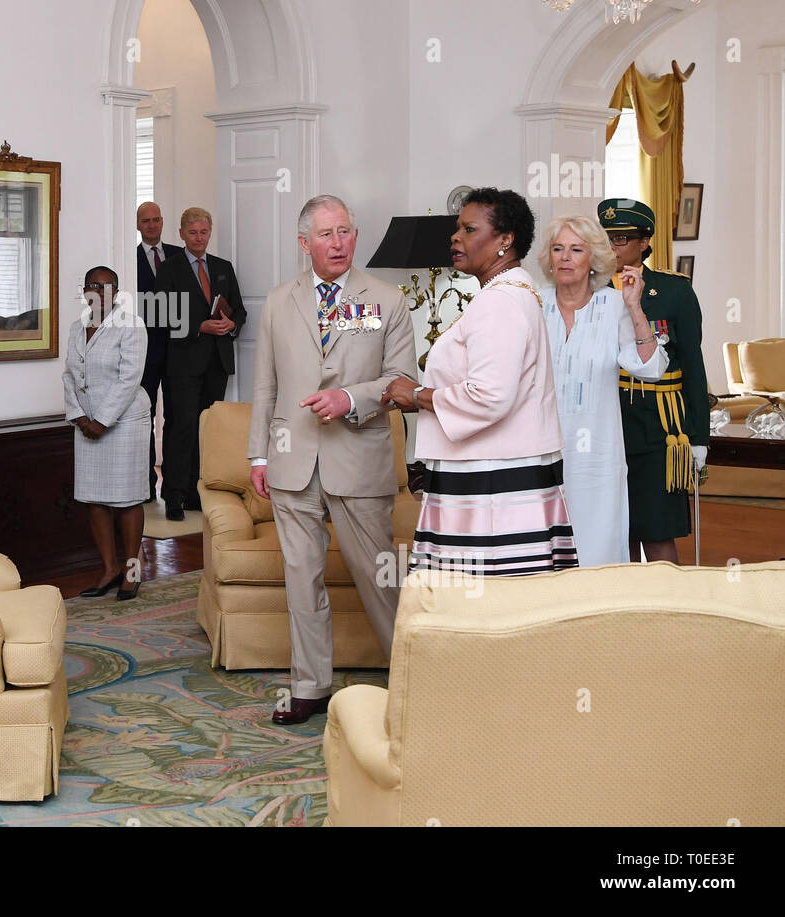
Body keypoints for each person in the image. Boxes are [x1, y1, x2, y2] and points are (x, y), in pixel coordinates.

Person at [249, 195, 416, 725]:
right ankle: (310, 685)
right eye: (326, 235)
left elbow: (401, 381)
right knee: (302, 578)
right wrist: (258, 453)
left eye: (345, 232)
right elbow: (265, 385)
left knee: (378, 577)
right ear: (305, 244)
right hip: (291, 460)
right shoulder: (279, 301)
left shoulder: (387, 301)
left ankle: (412, 679)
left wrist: (351, 399)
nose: (338, 242)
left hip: (358, 458)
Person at [382, 188, 578, 577]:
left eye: (469, 229)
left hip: (491, 482)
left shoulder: (500, 301)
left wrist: (418, 395)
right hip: (501, 470)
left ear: (506, 240)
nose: (455, 238)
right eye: (457, 229)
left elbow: (490, 397)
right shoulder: (514, 293)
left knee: (486, 600)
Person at [538, 215, 668, 567]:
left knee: (595, 554)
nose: (565, 257)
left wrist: (635, 306)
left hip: (595, 458)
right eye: (558, 248)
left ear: (592, 258)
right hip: (538, 452)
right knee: (540, 555)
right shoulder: (533, 304)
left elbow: (651, 368)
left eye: (576, 249)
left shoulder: (613, 306)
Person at [597, 198, 710, 564]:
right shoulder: (588, 291)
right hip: (605, 421)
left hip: (658, 425)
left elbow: (693, 364)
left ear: (644, 242)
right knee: (617, 532)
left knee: (656, 531)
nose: (610, 246)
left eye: (620, 238)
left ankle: (671, 613)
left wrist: (699, 436)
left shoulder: (673, 291)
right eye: (604, 237)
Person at [62, 267, 151, 600]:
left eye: (106, 286)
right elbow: (70, 375)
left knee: (127, 498)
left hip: (124, 421)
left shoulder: (131, 325)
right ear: (84, 289)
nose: (99, 291)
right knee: (94, 499)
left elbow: (130, 378)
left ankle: (132, 570)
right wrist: (80, 417)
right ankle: (109, 569)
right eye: (92, 285)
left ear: (117, 291)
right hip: (86, 423)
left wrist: (102, 419)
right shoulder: (76, 328)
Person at [155, 207, 247, 521]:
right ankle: (174, 495)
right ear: (181, 234)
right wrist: (200, 326)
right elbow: (162, 315)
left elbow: (240, 311)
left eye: (203, 232)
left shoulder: (223, 267)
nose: (198, 238)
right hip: (182, 363)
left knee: (208, 428)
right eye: (192, 232)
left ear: (210, 233)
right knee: (181, 426)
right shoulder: (169, 268)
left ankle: (197, 492)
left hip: (216, 362)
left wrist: (229, 325)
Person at [134, 202, 184, 502]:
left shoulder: (180, 256)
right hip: (144, 350)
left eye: (156, 220)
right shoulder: (129, 258)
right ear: (138, 225)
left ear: (162, 222)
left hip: (179, 348)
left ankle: (176, 485)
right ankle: (147, 482)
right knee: (145, 415)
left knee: (178, 416)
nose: (152, 225)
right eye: (145, 221)